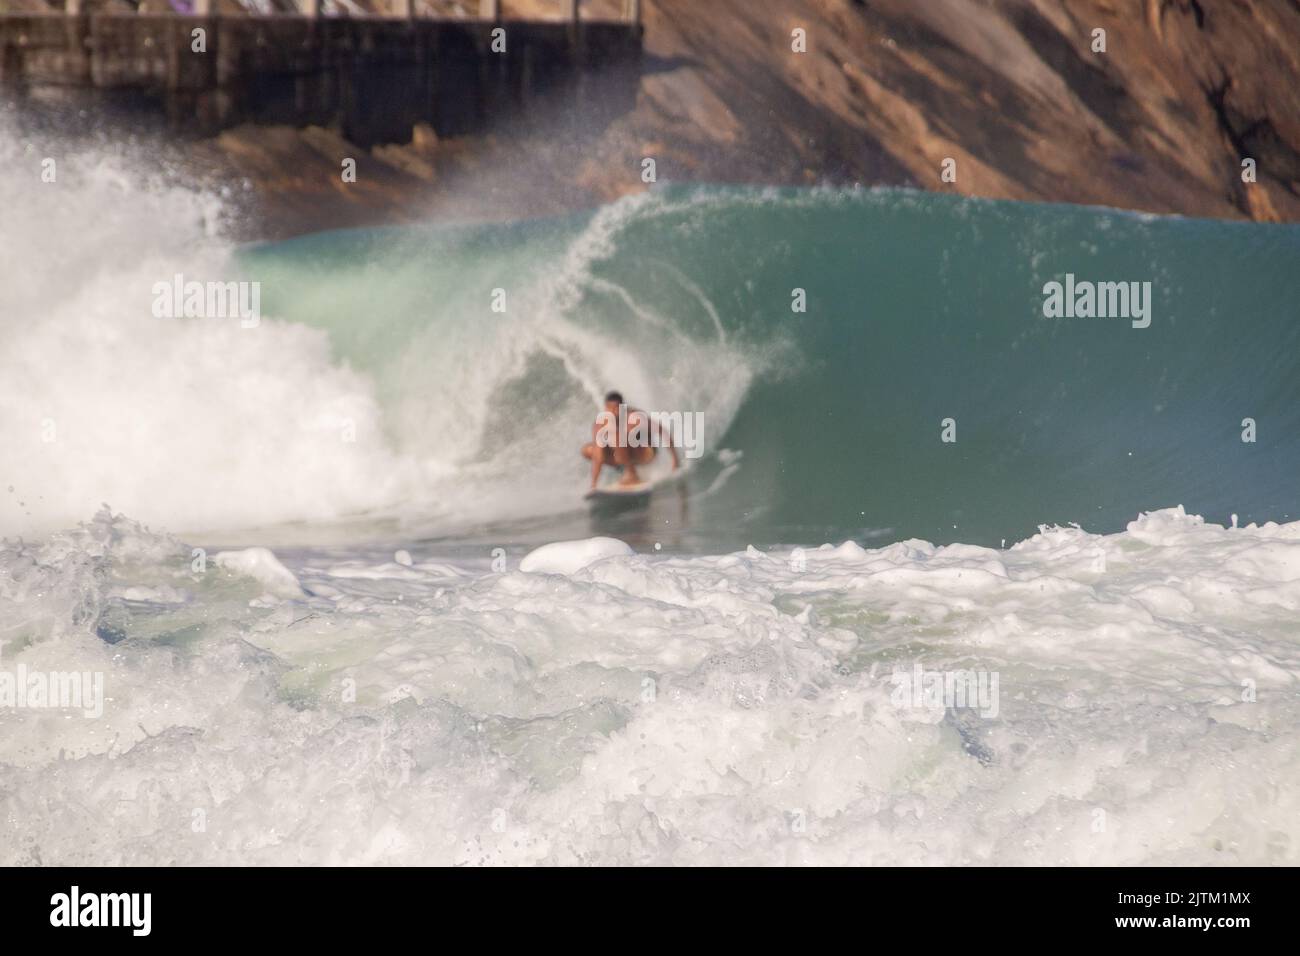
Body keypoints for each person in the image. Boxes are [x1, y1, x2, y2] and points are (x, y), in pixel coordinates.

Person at [582, 390, 679, 490]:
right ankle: (625, 471)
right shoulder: (600, 423)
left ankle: (632, 475)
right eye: (609, 408)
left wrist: (675, 460)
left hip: (644, 453)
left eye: (616, 408)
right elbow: (598, 454)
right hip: (622, 457)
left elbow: (662, 431)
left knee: (616, 436)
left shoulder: (634, 417)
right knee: (588, 450)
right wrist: (594, 484)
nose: (612, 412)